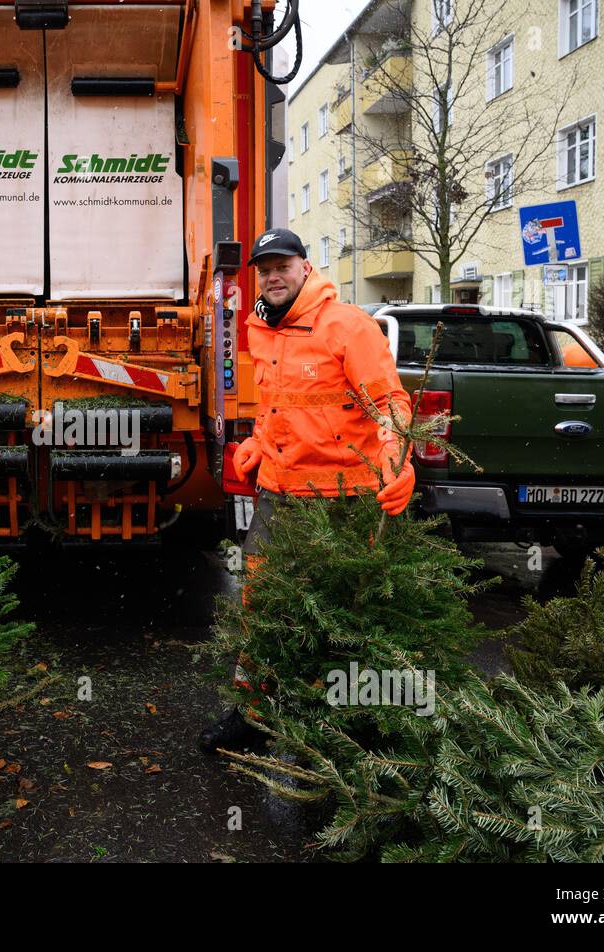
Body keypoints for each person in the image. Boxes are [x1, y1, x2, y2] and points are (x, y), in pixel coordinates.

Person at [198, 227, 415, 753]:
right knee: (262, 601)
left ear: (303, 267)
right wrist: (257, 441)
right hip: (278, 494)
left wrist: (396, 459)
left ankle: (342, 725)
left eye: (282, 266)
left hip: (344, 499)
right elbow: (280, 404)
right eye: (264, 269)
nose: (273, 276)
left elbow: (389, 402)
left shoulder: (348, 327)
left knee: (341, 610)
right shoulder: (259, 329)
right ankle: (252, 713)